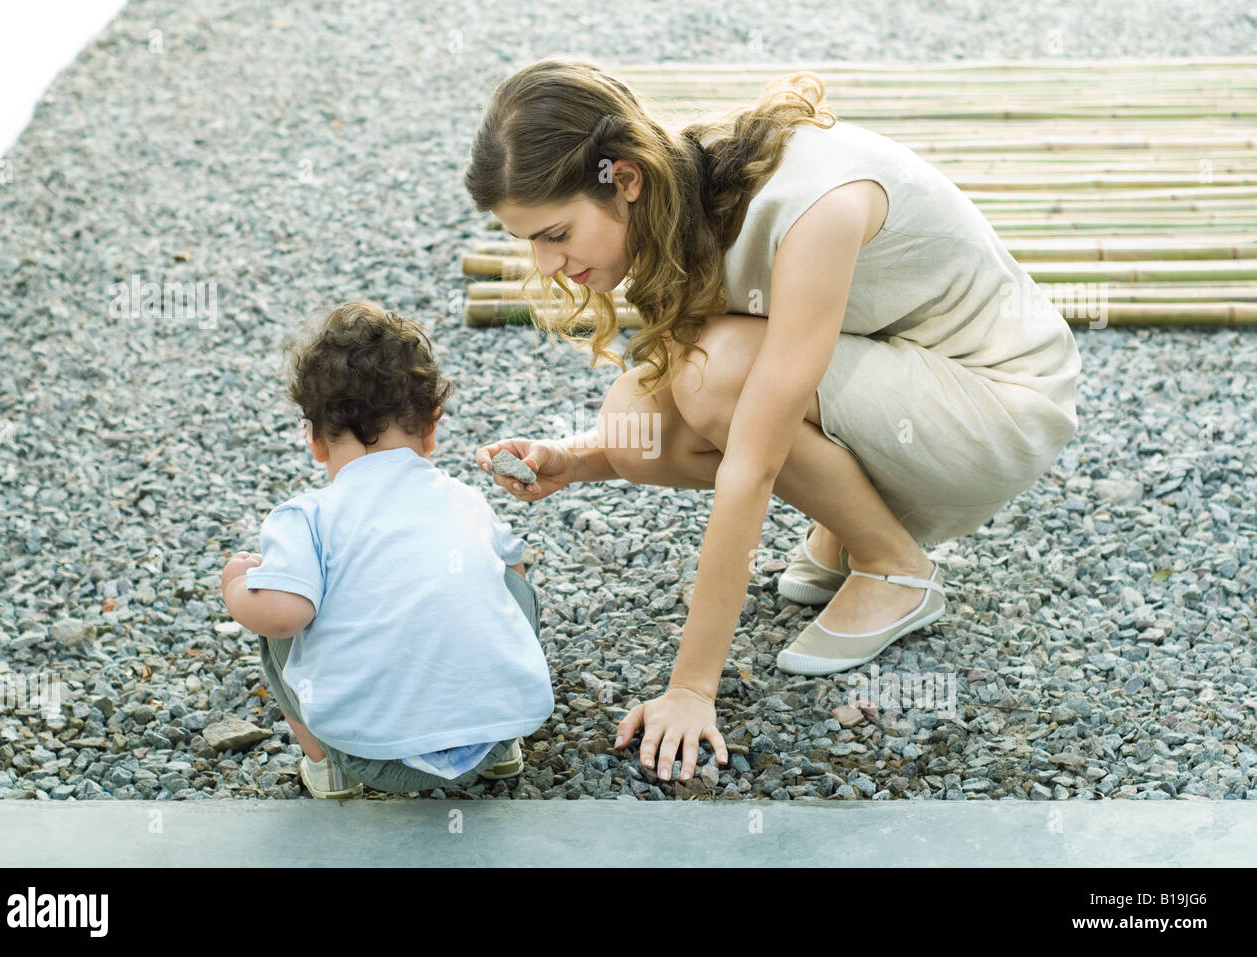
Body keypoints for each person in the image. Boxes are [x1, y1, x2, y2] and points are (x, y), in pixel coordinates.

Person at [465, 58, 1081, 787]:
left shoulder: (812, 204)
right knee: (638, 411)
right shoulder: (679, 186)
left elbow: (750, 459)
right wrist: (579, 458)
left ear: (622, 178)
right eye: (530, 239)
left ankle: (894, 565)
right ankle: (852, 529)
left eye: (556, 232)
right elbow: (700, 424)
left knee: (714, 373)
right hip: (911, 388)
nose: (548, 263)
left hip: (997, 410)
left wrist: (692, 688)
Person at [220, 300, 555, 798]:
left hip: (370, 754)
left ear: (314, 439)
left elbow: (285, 617)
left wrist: (235, 587)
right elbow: (515, 571)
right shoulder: (466, 498)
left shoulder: (307, 517)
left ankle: (326, 768)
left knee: (274, 598)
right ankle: (500, 744)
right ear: (431, 428)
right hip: (491, 735)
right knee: (508, 577)